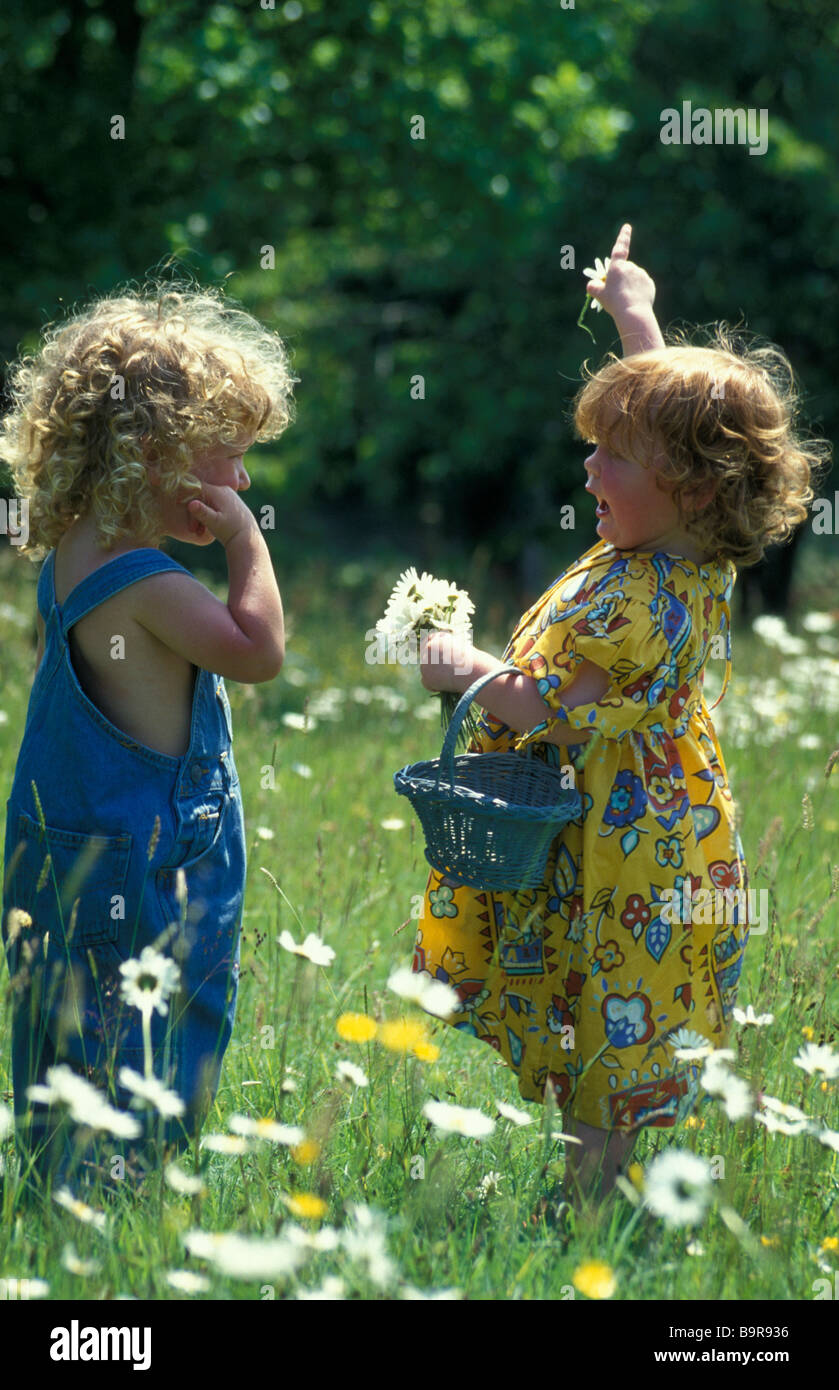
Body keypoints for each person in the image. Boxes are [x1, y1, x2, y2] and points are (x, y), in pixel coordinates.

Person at [413, 224, 827, 1215]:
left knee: (608, 1014)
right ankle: (601, 1185)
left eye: (611, 458)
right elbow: (685, 424)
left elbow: (552, 714)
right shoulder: (690, 546)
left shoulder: (642, 600)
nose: (588, 473)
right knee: (605, 1008)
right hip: (642, 827)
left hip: (617, 849)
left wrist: (459, 667)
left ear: (686, 486)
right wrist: (633, 314)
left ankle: (588, 1205)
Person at [0, 279, 295, 1188]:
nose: (242, 483)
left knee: (67, 1018)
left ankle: (64, 1181)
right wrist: (249, 546)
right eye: (231, 460)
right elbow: (257, 652)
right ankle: (128, 1194)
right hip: (149, 856)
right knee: (154, 1032)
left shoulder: (72, 554)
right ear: (151, 451)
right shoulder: (146, 580)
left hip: (65, 840)